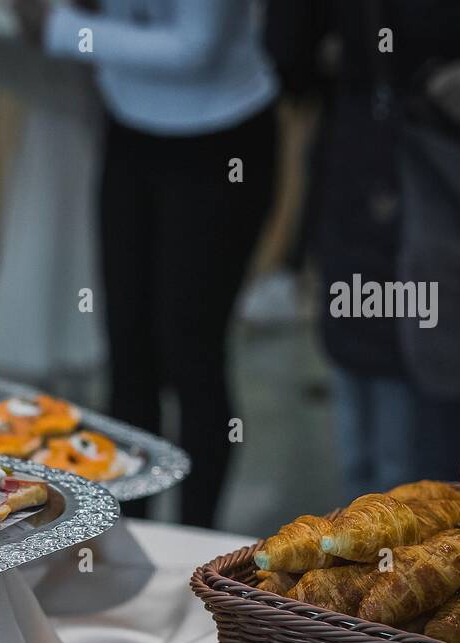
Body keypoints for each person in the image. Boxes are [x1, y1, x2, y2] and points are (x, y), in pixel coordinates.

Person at [267, 0, 460, 501]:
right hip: (372, 168)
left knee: (412, 463)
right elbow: (288, 55)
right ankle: (376, 568)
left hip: (457, 180)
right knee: (375, 462)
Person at [15, 0, 278, 528]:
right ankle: (128, 534)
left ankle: (194, 546)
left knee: (191, 353)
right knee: (128, 349)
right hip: (131, 132)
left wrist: (61, 28)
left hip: (219, 140)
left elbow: (194, 47)